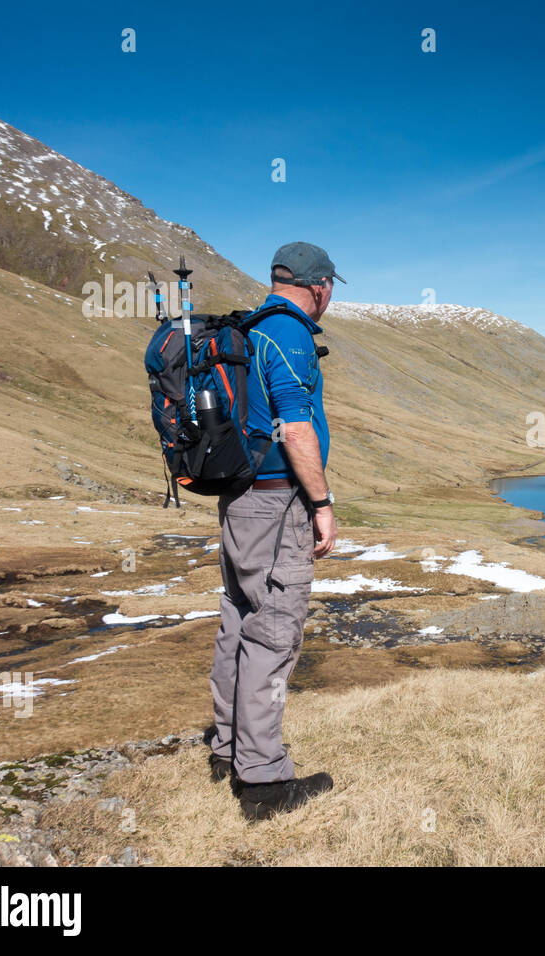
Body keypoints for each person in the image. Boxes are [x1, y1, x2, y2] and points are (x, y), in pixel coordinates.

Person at [208, 242, 343, 821]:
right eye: (332, 286)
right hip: (276, 503)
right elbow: (294, 428)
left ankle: (227, 750)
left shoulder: (251, 327)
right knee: (274, 631)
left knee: (237, 618)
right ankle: (263, 782)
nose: (331, 295)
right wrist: (322, 502)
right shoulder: (288, 335)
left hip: (240, 500)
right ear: (318, 286)